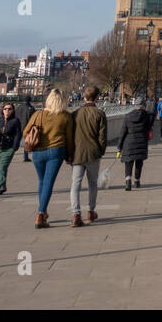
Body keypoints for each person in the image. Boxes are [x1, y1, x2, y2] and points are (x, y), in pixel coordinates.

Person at [22, 89, 75, 228]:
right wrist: (70, 155)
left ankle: (43, 212)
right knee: (48, 183)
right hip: (56, 151)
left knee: (42, 182)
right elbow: (69, 138)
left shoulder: (37, 114)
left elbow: (25, 131)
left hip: (38, 153)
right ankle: (40, 214)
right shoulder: (65, 116)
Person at [69, 85, 108, 227]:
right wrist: (101, 151)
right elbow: (102, 137)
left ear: (84, 97)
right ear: (97, 97)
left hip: (77, 154)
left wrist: (70, 153)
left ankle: (76, 214)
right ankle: (91, 211)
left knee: (75, 185)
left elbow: (70, 135)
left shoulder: (75, 114)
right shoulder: (99, 114)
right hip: (93, 153)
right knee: (92, 184)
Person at [118, 96, 153, 189]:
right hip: (141, 141)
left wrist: (119, 146)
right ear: (144, 105)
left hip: (129, 142)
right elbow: (149, 128)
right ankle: (137, 181)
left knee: (128, 162)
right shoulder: (147, 115)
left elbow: (123, 132)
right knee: (139, 162)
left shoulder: (128, 116)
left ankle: (128, 181)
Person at [0, 103, 22, 197]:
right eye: (5, 109)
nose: (7, 110)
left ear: (13, 110)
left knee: (2, 168)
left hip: (9, 148)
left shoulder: (15, 121)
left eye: (10, 109)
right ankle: (3, 187)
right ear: (2, 110)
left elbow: (18, 135)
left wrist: (15, 147)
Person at [18, 95, 36, 162]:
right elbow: (33, 118)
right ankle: (26, 157)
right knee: (28, 142)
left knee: (16, 141)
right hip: (27, 128)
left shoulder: (18, 107)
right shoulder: (31, 108)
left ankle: (9, 154)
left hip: (19, 127)